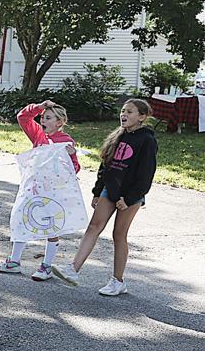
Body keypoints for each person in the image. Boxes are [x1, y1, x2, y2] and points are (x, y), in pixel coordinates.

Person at [53, 99, 157, 296]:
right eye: (123, 111)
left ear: (142, 117)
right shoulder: (118, 136)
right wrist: (97, 191)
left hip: (131, 196)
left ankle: (118, 281)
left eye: (130, 112)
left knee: (119, 235)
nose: (123, 114)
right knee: (93, 227)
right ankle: (73, 269)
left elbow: (146, 174)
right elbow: (106, 166)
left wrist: (130, 197)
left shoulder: (147, 140)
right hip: (110, 190)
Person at [0, 101, 79, 281]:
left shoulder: (66, 142)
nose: (43, 120)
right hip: (32, 188)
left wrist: (70, 156)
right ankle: (14, 262)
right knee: (21, 219)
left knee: (52, 227)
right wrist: (40, 106)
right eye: (42, 118)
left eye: (47, 118)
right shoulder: (38, 135)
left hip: (53, 193)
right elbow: (22, 118)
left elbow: (74, 169)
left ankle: (46, 266)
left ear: (59, 122)